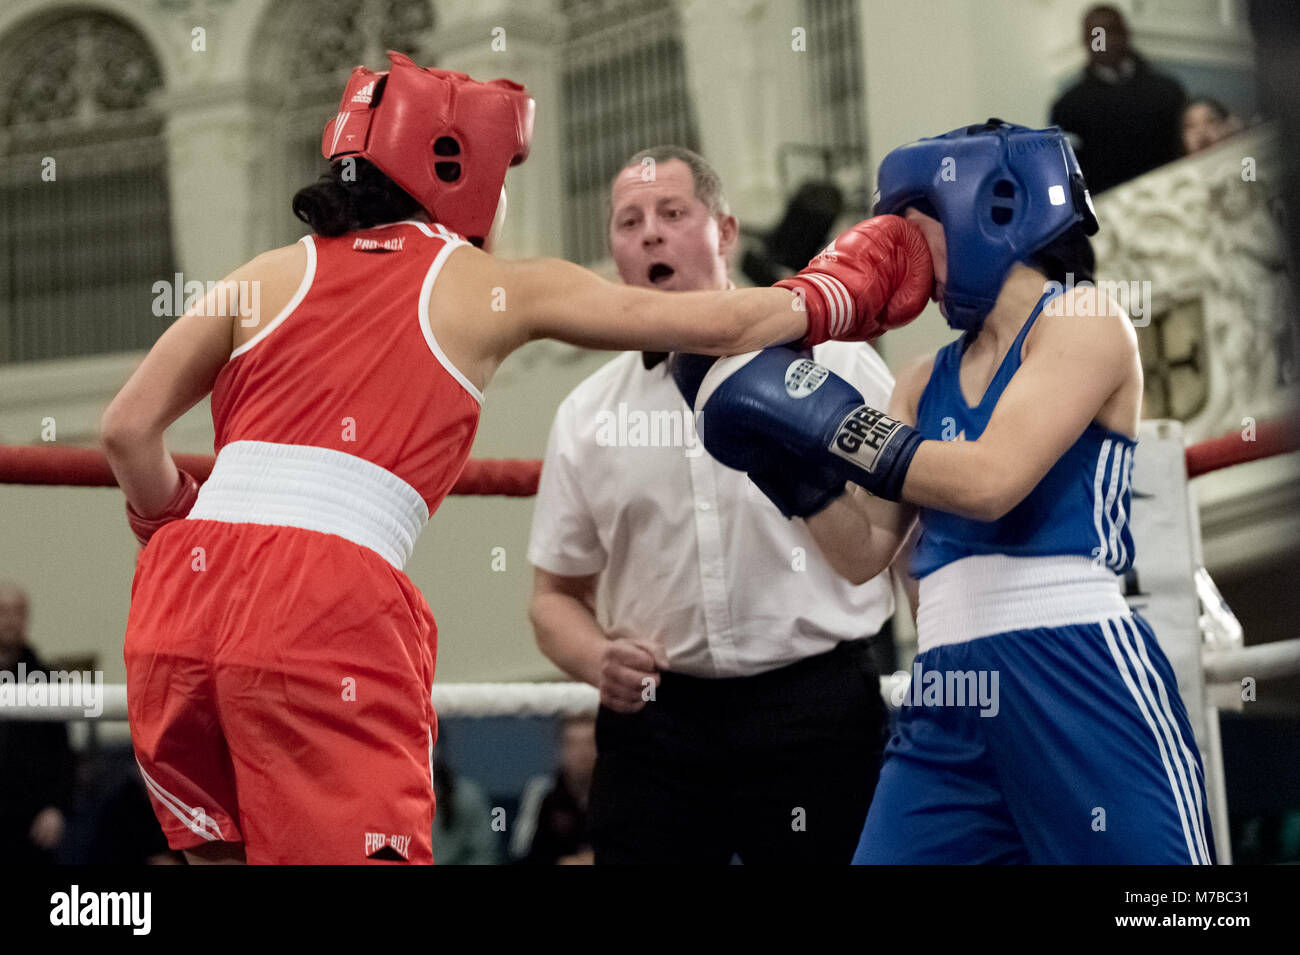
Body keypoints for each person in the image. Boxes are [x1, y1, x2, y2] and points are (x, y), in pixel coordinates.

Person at [99, 51, 933, 865]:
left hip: (175, 606)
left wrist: (183, 534)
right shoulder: (483, 283)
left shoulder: (263, 272)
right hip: (319, 605)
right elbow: (717, 325)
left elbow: (127, 429)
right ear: (462, 172)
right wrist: (838, 289)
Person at [675, 119, 1216, 863]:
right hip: (948, 687)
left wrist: (827, 417)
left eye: (910, 221)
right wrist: (783, 459)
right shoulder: (921, 378)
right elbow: (863, 548)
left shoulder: (1084, 322)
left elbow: (990, 481)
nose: (891, 247)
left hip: (1075, 667)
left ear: (991, 206)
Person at [528, 145, 895, 864]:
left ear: (725, 232)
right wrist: (595, 656)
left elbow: (911, 531)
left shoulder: (840, 364)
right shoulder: (586, 413)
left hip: (814, 705)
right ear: (615, 251)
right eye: (629, 221)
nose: (651, 234)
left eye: (672, 212)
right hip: (659, 726)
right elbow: (551, 597)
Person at [1050, 4, 1186, 192]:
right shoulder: (1069, 108)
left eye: (1109, 32)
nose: (1102, 41)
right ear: (1084, 41)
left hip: (1172, 193)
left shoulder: (1167, 91)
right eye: (1094, 35)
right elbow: (1066, 174)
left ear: (1125, 34)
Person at [0, 580, 75, 865]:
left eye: (18, 612)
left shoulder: (46, 678)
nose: (10, 621)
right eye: (2, 612)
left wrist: (56, 808)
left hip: (31, 824)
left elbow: (63, 751)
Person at [513, 715, 596, 865]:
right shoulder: (541, 791)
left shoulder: (621, 794)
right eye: (572, 744)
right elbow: (521, 850)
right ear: (559, 750)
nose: (582, 753)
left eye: (589, 743)